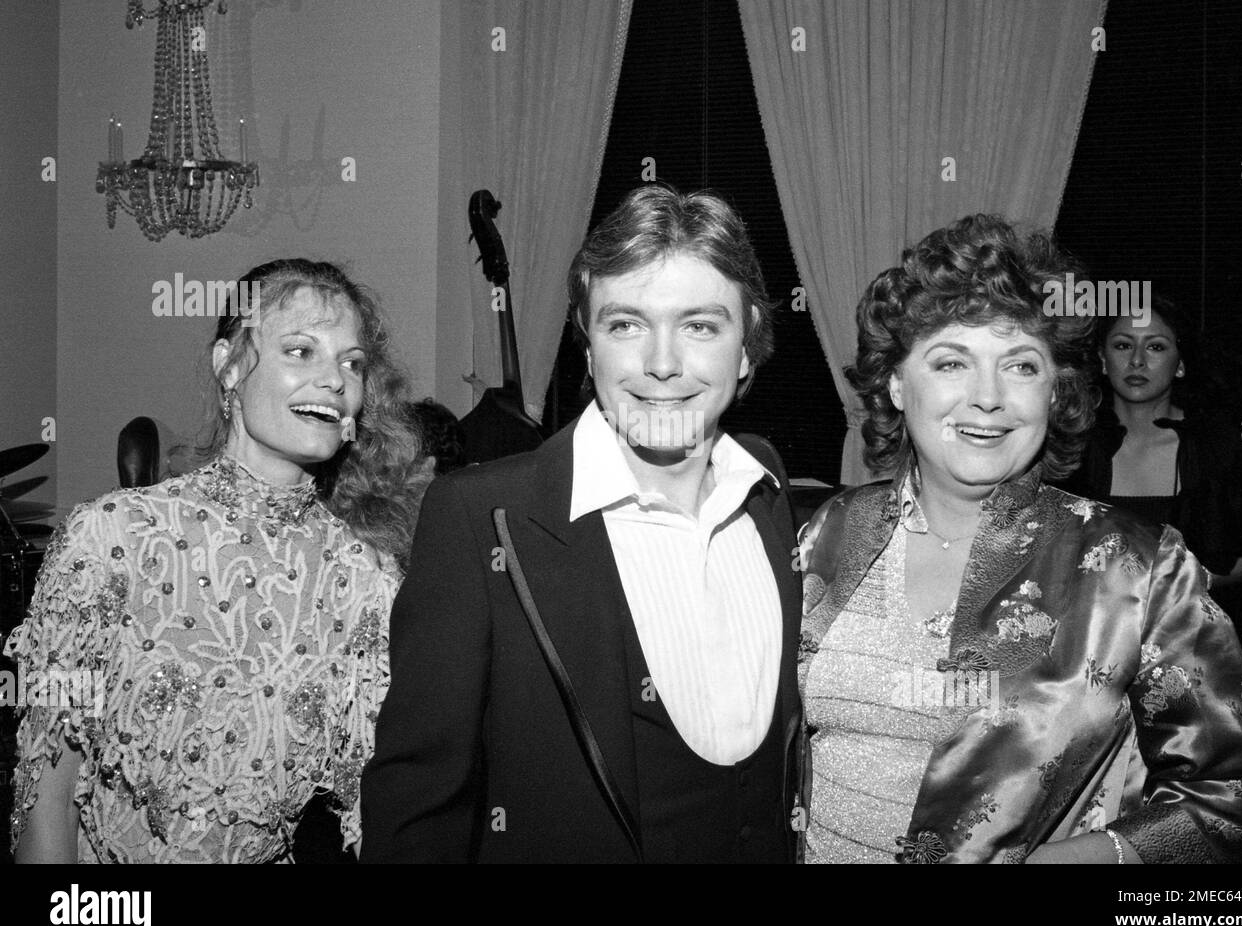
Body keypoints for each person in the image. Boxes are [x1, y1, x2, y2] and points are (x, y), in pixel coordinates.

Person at [799, 214, 1242, 863]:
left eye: (1020, 366)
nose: (986, 397)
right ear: (896, 382)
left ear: (1054, 391)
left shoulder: (1136, 570)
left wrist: (1080, 859)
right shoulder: (831, 530)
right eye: (951, 361)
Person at [361, 185, 804, 863]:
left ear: (747, 350)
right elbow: (418, 808)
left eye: (701, 326)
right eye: (625, 324)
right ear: (589, 347)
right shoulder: (479, 521)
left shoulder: (768, 495)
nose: (662, 362)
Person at [6, 259, 430, 863]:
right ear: (228, 365)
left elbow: (379, 812)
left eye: (351, 363)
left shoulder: (368, 583)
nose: (335, 380)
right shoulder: (110, 539)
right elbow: (46, 789)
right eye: (301, 350)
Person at [1062, 295, 1242, 641]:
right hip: (1090, 646)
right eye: (1122, 345)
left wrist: (1191, 579)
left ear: (1180, 364)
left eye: (1156, 347)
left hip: (1195, 647)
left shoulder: (1219, 448)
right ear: (1103, 360)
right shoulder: (1071, 450)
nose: (1136, 360)